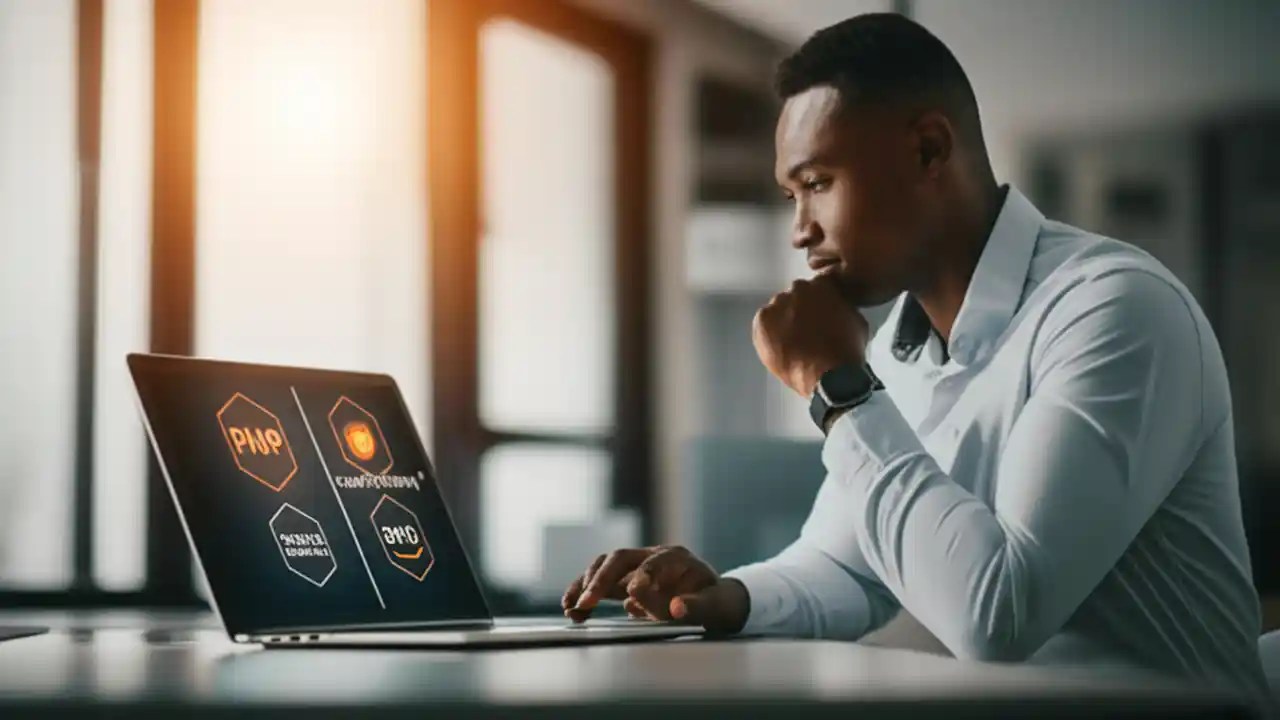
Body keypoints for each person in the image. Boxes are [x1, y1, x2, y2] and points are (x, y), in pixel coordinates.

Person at [560, 12, 1269, 700]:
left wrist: (838, 390)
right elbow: (844, 567)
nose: (800, 231)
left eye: (817, 183)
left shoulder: (1113, 310)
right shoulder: (897, 349)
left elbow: (1001, 616)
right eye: (789, 194)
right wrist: (728, 598)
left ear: (930, 150)